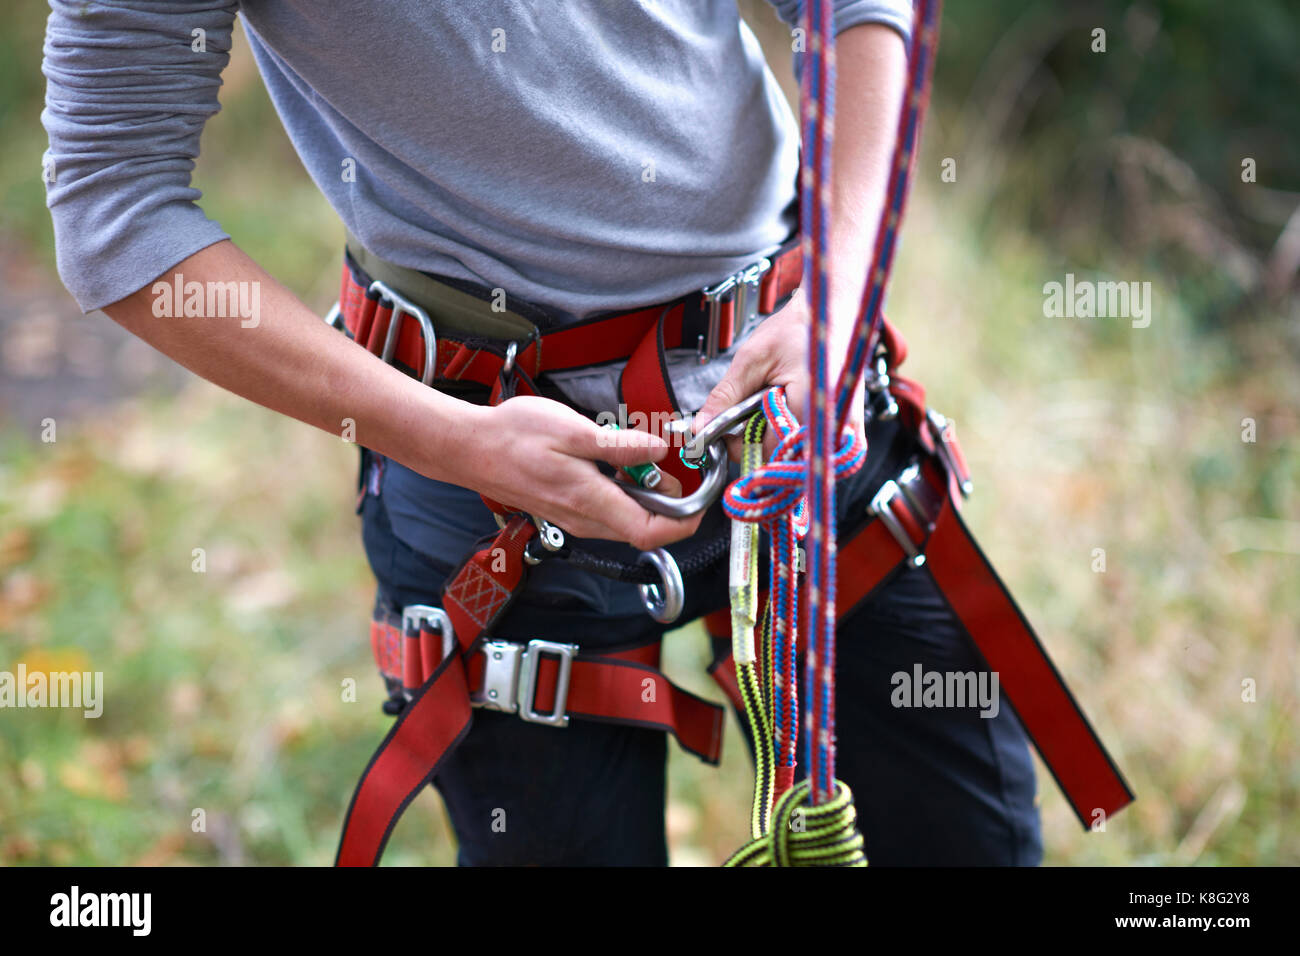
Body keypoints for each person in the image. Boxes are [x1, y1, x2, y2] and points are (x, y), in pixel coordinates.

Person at [42, 0, 1043, 866]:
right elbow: (112, 203)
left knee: (967, 842)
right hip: (489, 481)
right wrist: (451, 440)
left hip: (797, 397)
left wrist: (839, 287)